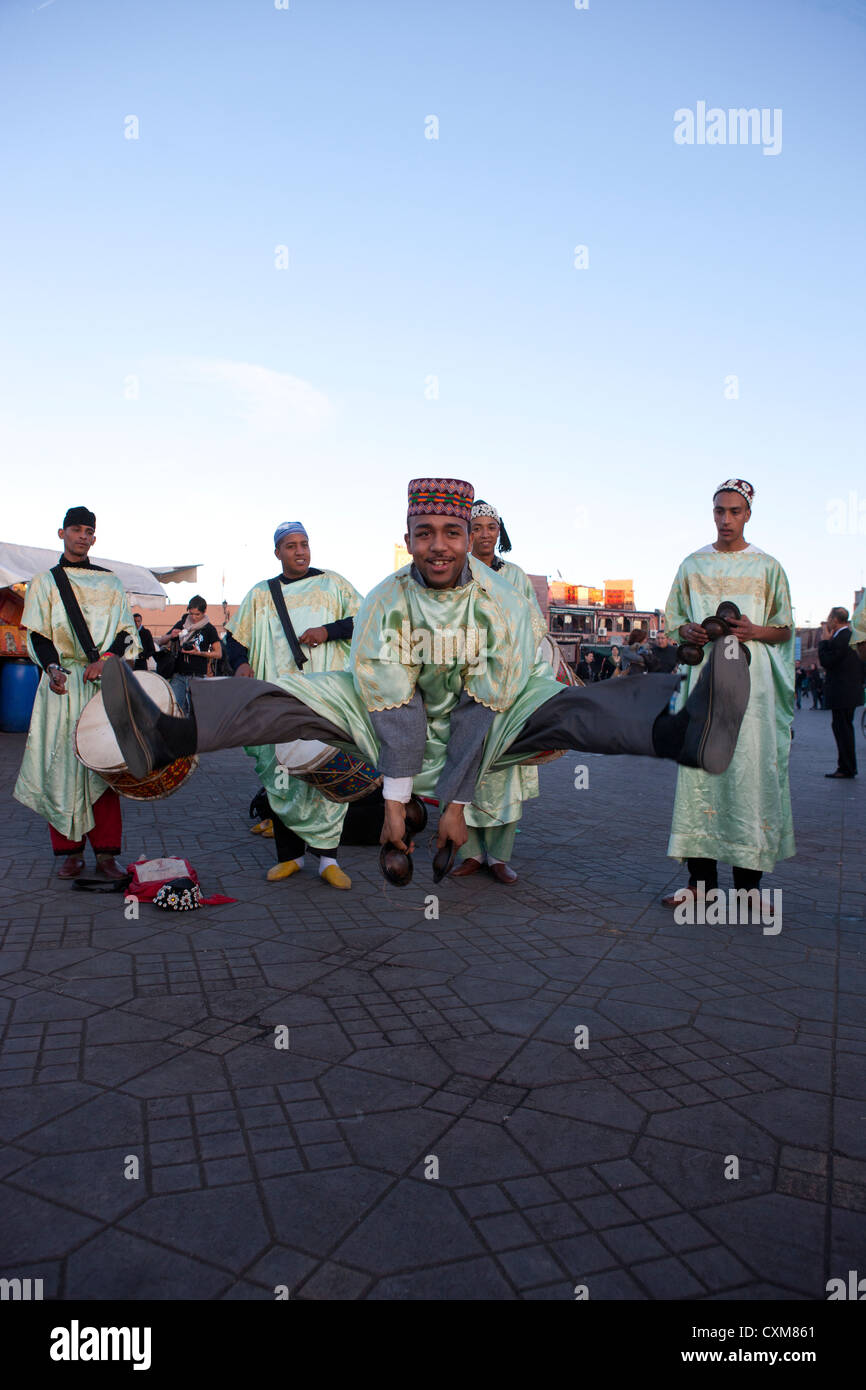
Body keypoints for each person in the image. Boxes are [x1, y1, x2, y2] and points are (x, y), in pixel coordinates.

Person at [99, 479, 752, 886]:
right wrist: (395, 809)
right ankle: (169, 729)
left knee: (562, 709)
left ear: (471, 536)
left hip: (481, 711)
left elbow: (482, 704)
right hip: (393, 710)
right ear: (407, 537)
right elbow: (396, 706)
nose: (439, 545)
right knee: (297, 699)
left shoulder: (502, 597)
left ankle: (681, 729)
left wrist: (457, 806)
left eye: (453, 532)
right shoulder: (384, 598)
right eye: (425, 533)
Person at [661, 479, 795, 909]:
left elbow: (786, 628)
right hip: (703, 686)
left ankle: (748, 890)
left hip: (751, 695)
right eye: (719, 511)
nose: (726, 520)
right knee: (700, 773)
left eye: (735, 512)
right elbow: (673, 619)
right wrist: (686, 628)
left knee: (747, 779)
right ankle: (700, 883)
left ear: (748, 514)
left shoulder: (768, 567)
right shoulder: (692, 565)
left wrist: (757, 630)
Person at [227, 521, 362, 888]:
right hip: (278, 700)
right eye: (290, 545)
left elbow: (366, 621)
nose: (299, 551)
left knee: (326, 772)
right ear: (277, 553)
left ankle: (329, 862)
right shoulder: (260, 595)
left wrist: (327, 631)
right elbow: (234, 641)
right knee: (281, 772)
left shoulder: (334, 584)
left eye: (304, 544)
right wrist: (240, 666)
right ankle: (290, 858)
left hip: (326, 699)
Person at [13, 506, 139, 880]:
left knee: (105, 767)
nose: (83, 536)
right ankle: (69, 852)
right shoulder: (45, 582)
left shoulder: (111, 582)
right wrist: (52, 668)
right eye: (76, 530)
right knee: (62, 766)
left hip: (103, 685)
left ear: (94, 538)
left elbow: (125, 630)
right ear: (61, 533)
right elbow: (37, 633)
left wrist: (109, 659)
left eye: (88, 531)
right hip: (63, 684)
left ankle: (105, 855)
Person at [454, 498, 547, 885]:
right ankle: (470, 853)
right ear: (467, 535)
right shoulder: (456, 573)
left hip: (508, 683)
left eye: (491, 527)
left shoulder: (516, 576)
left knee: (505, 765)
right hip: (464, 681)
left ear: (500, 532)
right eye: (476, 528)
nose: (485, 535)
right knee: (465, 762)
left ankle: (500, 857)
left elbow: (534, 626)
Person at [819, 606, 864, 778]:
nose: (828, 621)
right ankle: (847, 766)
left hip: (842, 693)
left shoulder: (842, 638)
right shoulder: (852, 636)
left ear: (835, 620)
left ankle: (846, 768)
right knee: (845, 728)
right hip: (851, 692)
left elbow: (827, 661)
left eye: (830, 618)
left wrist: (824, 642)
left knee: (843, 730)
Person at [155, 596, 221, 714]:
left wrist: (199, 653)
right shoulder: (182, 623)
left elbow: (218, 653)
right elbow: (161, 641)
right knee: (174, 710)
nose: (194, 618)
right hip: (178, 675)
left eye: (197, 614)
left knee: (196, 712)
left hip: (197, 676)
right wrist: (171, 636)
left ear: (204, 612)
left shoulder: (209, 628)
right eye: (191, 614)